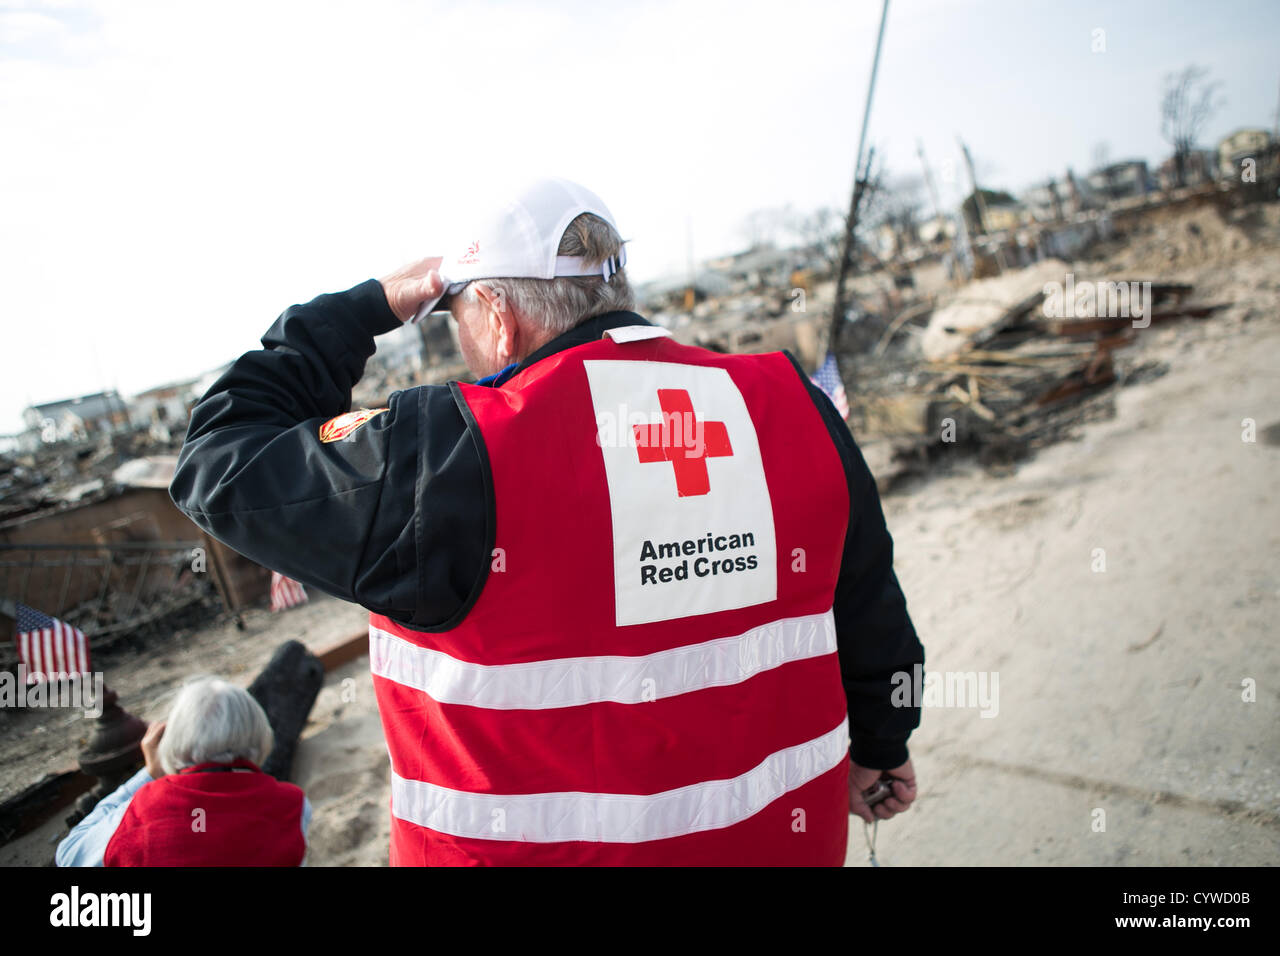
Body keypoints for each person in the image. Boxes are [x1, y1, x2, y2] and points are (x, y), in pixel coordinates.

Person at [169, 177, 924, 866]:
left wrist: (369, 305)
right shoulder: (793, 401)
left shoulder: (445, 454)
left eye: (455, 317)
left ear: (497, 317)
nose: (459, 344)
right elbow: (868, 603)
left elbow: (215, 459)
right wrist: (884, 745)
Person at [56, 676, 310, 866]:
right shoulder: (293, 805)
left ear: (175, 739)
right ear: (258, 734)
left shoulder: (141, 809)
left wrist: (147, 776)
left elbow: (69, 855)